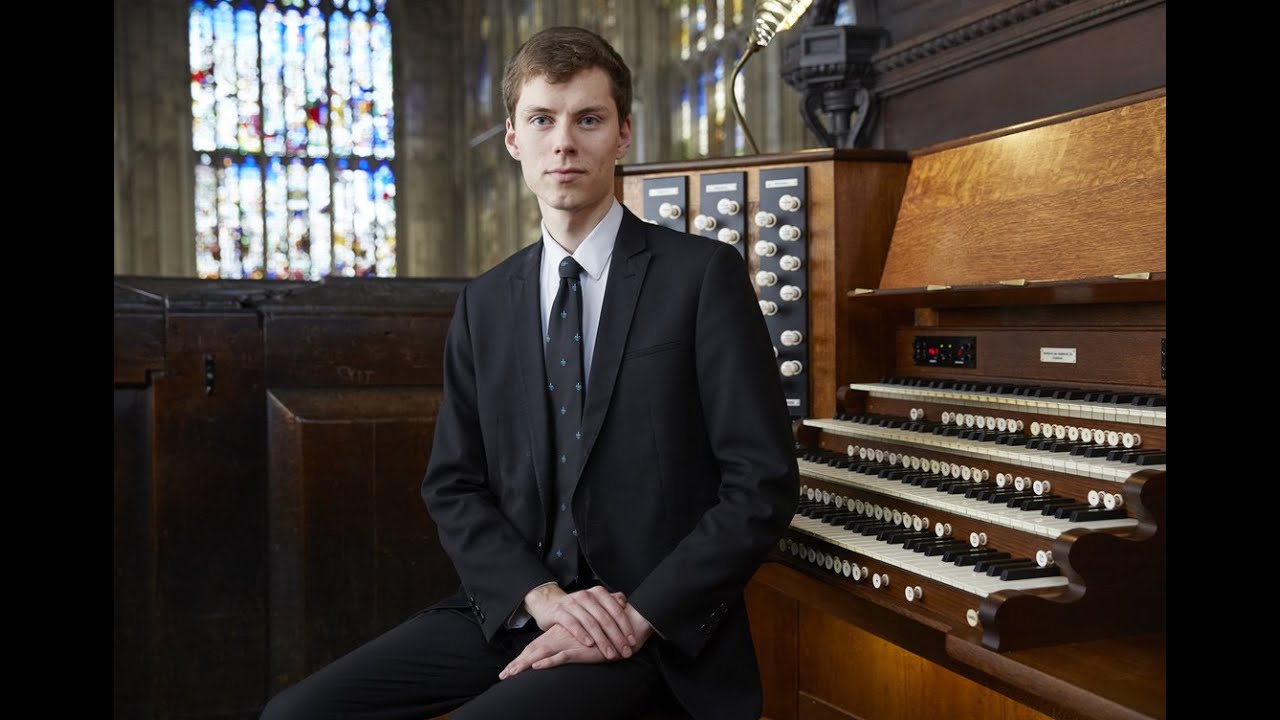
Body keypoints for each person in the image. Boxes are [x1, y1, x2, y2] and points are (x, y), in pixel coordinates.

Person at [261, 25, 798, 720]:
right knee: (293, 716)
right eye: (543, 119)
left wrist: (637, 615)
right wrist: (540, 599)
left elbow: (761, 482)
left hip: (651, 629)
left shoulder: (701, 278)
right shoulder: (485, 303)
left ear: (623, 134)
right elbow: (453, 484)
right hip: (520, 605)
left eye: (589, 119)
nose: (564, 142)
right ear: (514, 138)